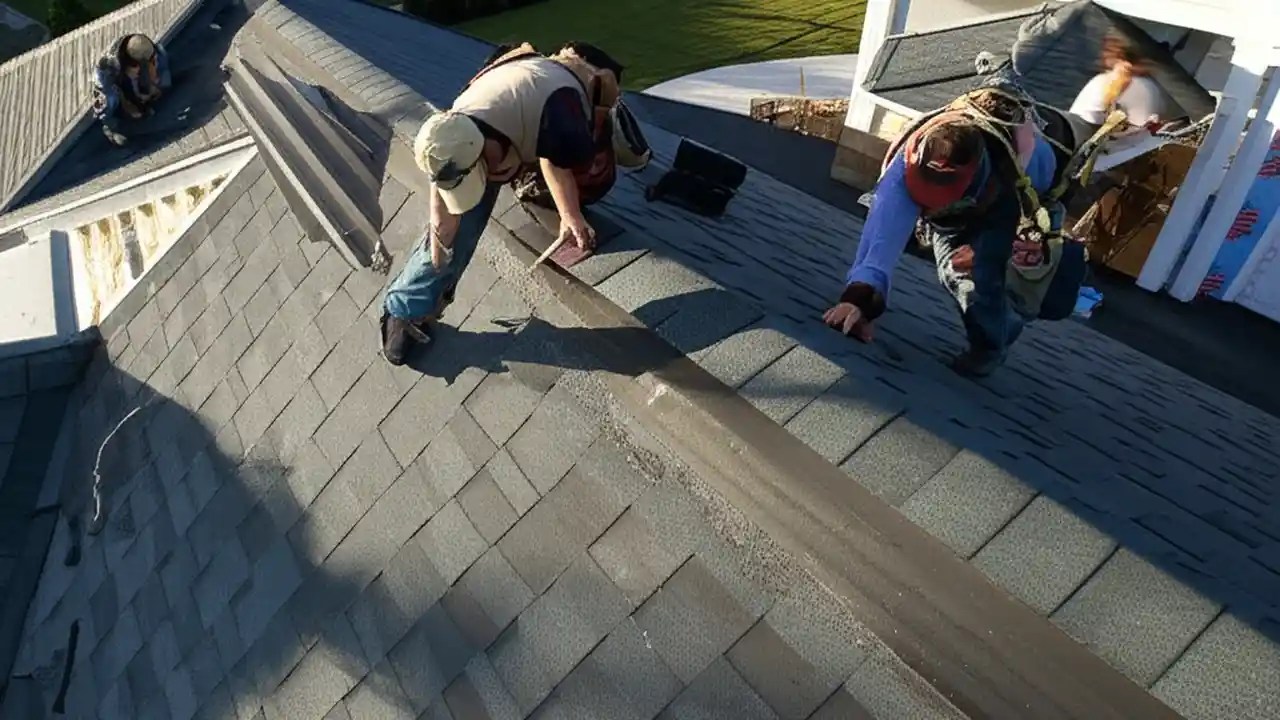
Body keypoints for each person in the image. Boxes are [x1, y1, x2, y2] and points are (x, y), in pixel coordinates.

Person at [824, 74, 1085, 377]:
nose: (930, 202)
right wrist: (858, 302)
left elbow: (998, 247)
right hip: (961, 213)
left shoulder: (1008, 171)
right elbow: (879, 243)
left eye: (941, 197)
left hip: (1026, 196)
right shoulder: (904, 167)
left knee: (967, 278)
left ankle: (993, 342)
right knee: (898, 222)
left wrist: (985, 254)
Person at [380, 42, 622, 365]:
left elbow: (555, 159)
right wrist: (439, 257)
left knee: (590, 172)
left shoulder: (562, 111)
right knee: (458, 230)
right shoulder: (446, 135)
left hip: (538, 112)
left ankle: (527, 184)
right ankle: (403, 309)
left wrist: (570, 215)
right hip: (500, 123)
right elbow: (443, 208)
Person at [1069, 33, 1165, 130]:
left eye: (1106, 50)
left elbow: (1084, 120)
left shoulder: (1107, 81)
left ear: (1118, 54)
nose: (1102, 54)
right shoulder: (1153, 88)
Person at [92, 34, 172, 146]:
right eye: (135, 66)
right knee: (109, 101)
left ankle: (146, 98)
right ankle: (111, 129)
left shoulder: (152, 51)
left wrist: (156, 85)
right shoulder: (109, 69)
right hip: (115, 80)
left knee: (163, 79)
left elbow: (158, 72)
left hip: (136, 72)